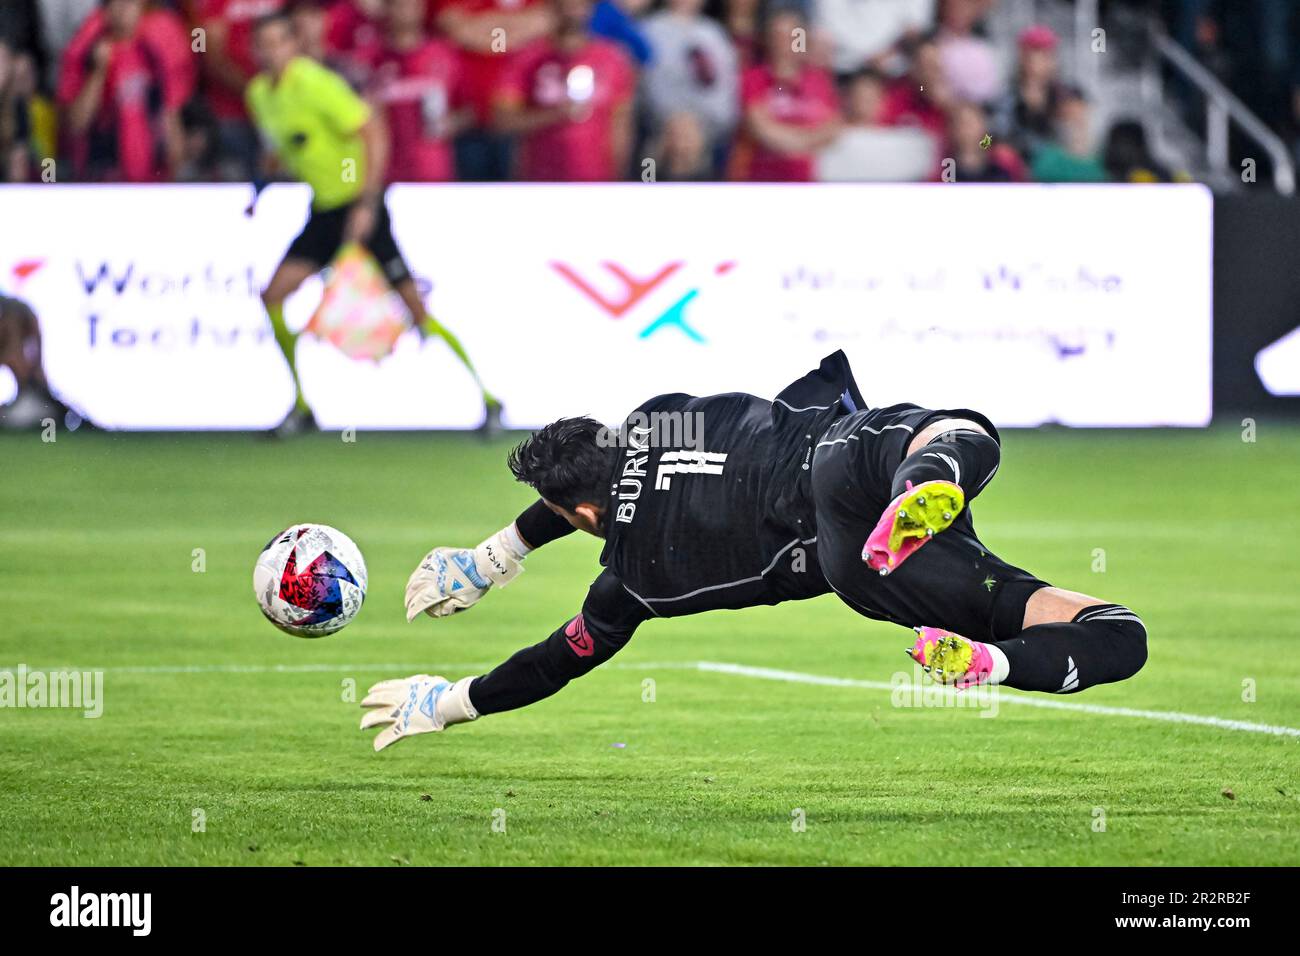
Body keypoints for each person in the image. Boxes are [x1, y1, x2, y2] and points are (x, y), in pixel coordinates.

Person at [361, 351, 1148, 750]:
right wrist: (496, 554)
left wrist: (454, 698)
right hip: (846, 448)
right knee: (959, 432)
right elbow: (606, 483)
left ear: (585, 513)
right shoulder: (651, 418)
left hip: (858, 564)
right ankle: (928, 484)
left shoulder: (634, 583)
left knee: (1046, 615)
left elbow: (556, 659)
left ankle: (995, 660)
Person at [244, 11, 501, 435]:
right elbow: (283, 150)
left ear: (293, 45)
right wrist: (261, 189)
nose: (270, 53)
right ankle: (302, 405)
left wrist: (366, 203)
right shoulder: (260, 94)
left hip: (361, 204)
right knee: (273, 296)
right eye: (263, 44)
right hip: (325, 209)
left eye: (278, 43)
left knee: (415, 311)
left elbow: (373, 131)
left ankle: (489, 399)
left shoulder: (315, 84)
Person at [492, 0, 635, 182]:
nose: (572, 10)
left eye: (580, 4)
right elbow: (502, 120)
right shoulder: (525, 58)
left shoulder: (613, 58)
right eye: (565, 4)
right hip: (540, 179)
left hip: (595, 179)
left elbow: (621, 127)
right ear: (552, 7)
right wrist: (555, 114)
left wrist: (618, 178)